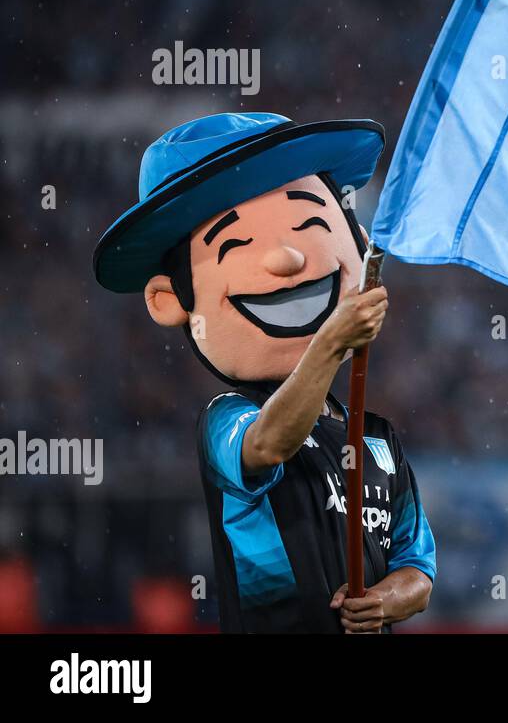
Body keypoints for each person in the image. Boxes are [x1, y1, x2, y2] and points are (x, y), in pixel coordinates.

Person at [93, 112, 436, 633]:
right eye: (235, 245)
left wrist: (386, 600)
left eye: (310, 225)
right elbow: (270, 445)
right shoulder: (226, 419)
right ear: (169, 299)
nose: (286, 258)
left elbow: (419, 567)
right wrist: (330, 341)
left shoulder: (379, 438)